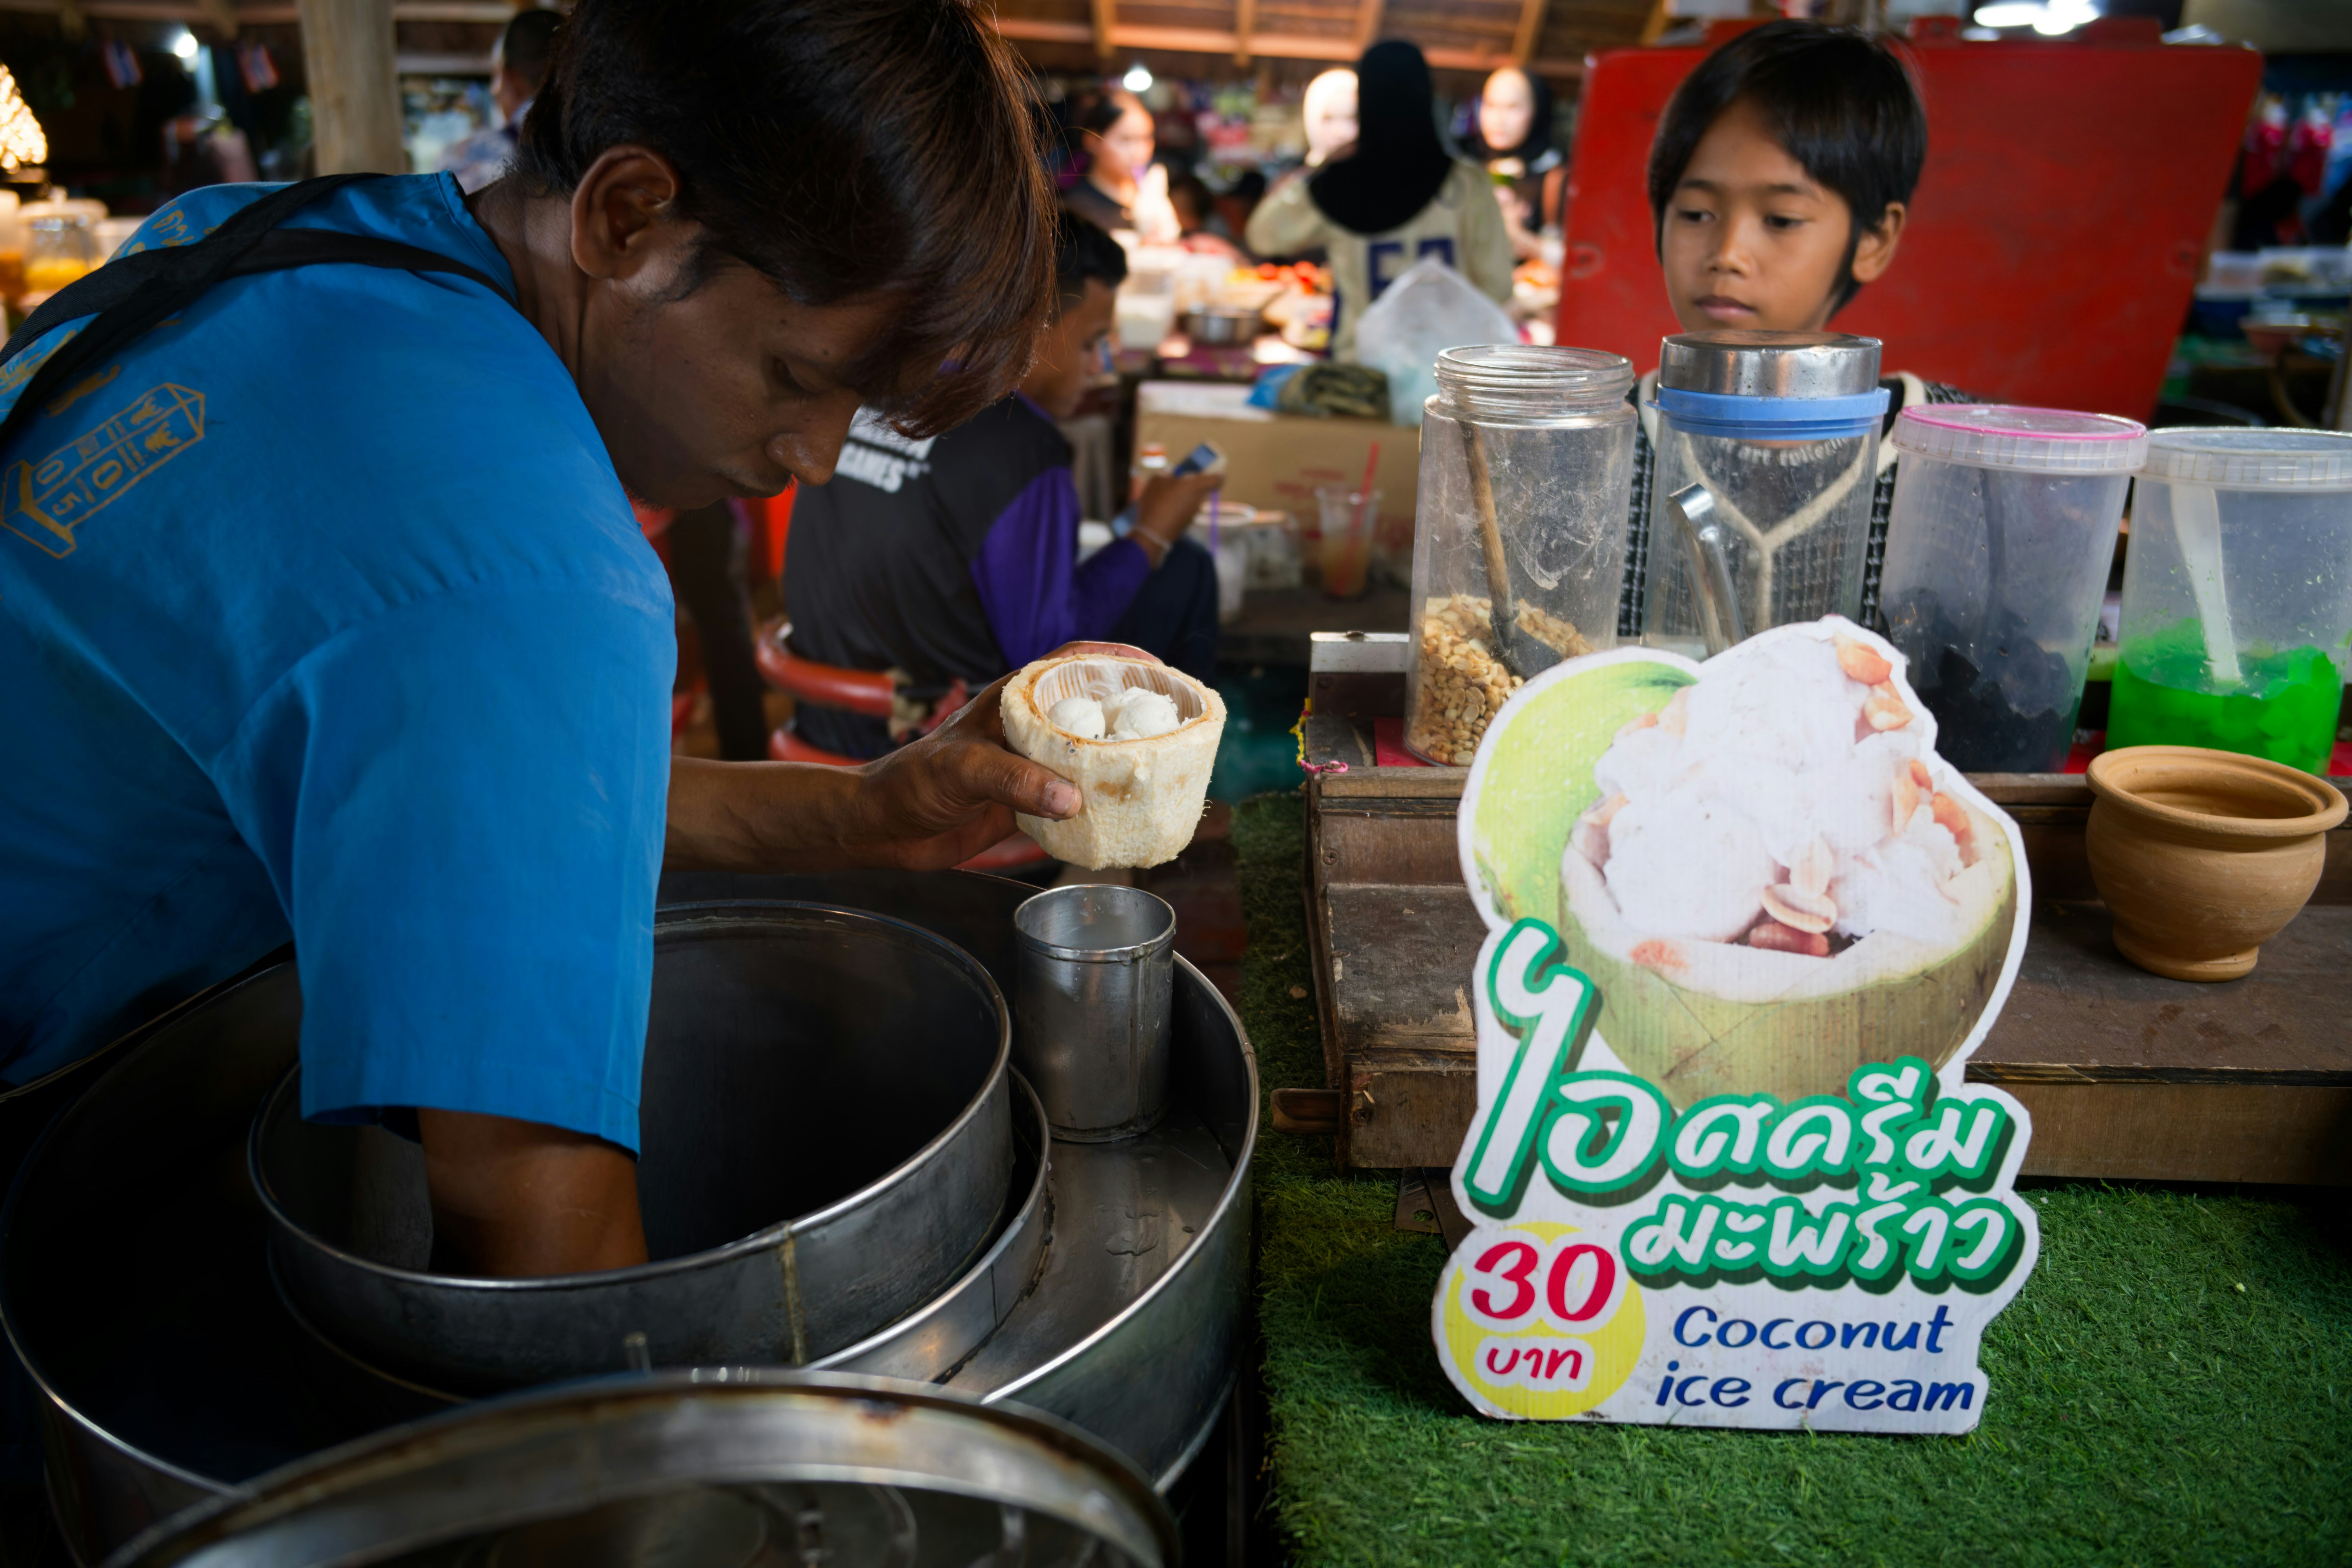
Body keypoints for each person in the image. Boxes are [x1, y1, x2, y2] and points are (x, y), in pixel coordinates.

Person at [0, 0, 1091, 1281]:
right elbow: (534, 1238)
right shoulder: (529, 567)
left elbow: (455, 788)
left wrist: (858, 817)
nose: (808, 456)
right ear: (626, 218)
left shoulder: (300, 245)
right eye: (796, 380)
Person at [783, 214, 1224, 761]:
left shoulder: (880, 380)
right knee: (1185, 570)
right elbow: (1046, 656)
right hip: (931, 746)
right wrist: (1151, 535)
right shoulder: (1019, 442)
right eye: (1090, 342)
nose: (1099, 366)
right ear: (1031, 325)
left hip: (827, 720)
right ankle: (1158, 793)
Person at [1616, 20, 1970, 641]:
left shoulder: (1947, 454)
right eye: (1696, 213)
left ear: (1874, 239)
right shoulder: (1606, 437)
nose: (1729, 252)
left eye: (1780, 219)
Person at [1244, 40, 1512, 359]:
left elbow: (1262, 235)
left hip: (1363, 373)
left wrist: (1319, 167)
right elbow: (1498, 286)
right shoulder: (1468, 184)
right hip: (1445, 371)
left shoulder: (1334, 185)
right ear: (1428, 96)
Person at [439, 7, 563, 194]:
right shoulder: (601, 145)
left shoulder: (465, 160)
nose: (494, 91)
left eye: (496, 77)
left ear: (512, 79)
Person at [1461, 66, 1563, 261]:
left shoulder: (1558, 177)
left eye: (1513, 107)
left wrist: (1521, 238)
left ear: (1538, 110)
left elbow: (1583, 260)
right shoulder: (1469, 168)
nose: (1499, 119)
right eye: (1490, 105)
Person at [1062, 89, 1172, 241]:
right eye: (1126, 140)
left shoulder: (1153, 200)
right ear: (1092, 141)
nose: (1139, 152)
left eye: (1146, 139)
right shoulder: (1074, 212)